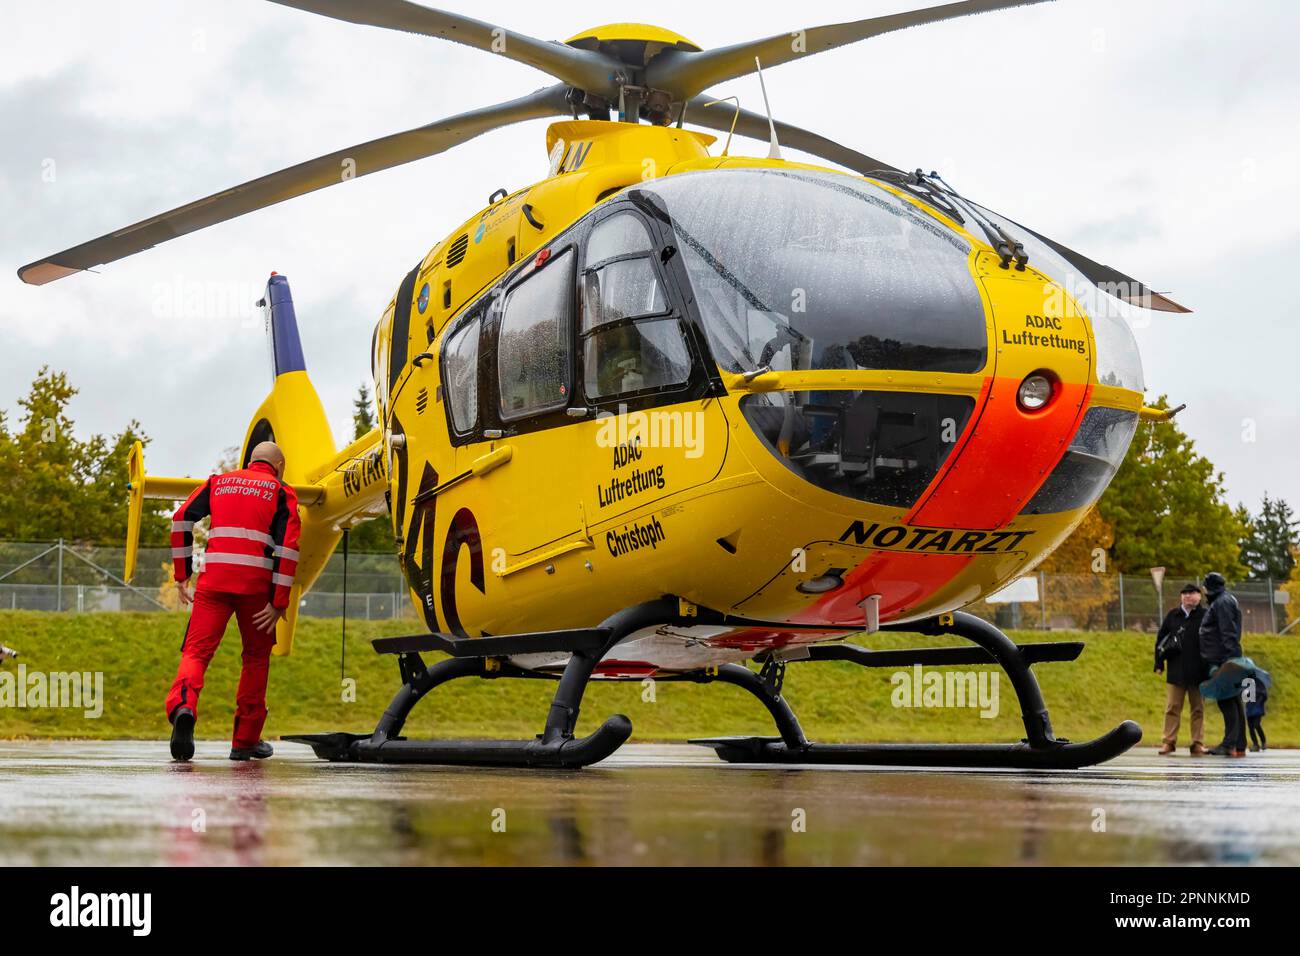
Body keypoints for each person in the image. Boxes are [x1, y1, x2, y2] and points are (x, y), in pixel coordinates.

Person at [164, 441, 301, 762]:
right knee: (255, 659)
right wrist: (279, 602)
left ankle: (184, 706)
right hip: (256, 589)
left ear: (250, 461)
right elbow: (288, 549)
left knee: (197, 653)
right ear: (279, 467)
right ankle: (245, 741)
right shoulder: (282, 492)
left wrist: (182, 574)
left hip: (213, 583)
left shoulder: (218, 483)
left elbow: (181, 519)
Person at [1154, 583, 1206, 755]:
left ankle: (1197, 743)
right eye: (1184, 593)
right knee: (1172, 707)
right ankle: (1168, 741)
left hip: (1199, 671)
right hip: (1176, 670)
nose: (1187, 596)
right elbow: (1161, 640)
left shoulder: (1205, 615)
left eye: (1191, 593)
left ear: (1199, 596)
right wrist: (1159, 663)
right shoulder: (1173, 616)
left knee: (1198, 709)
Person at [1198, 571, 1246, 757]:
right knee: (1233, 699)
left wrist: (1227, 661)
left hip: (1223, 658)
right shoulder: (1226, 600)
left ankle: (1229, 744)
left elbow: (1228, 632)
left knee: (1226, 700)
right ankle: (1238, 744)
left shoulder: (1222, 602)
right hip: (1227, 656)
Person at [1245, 676, 1268, 752]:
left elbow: (1264, 695)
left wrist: (1259, 700)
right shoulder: (1246, 683)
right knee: (1250, 727)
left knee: (1256, 724)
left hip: (1257, 708)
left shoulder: (1259, 683)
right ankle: (1255, 744)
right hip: (1249, 707)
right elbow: (1244, 696)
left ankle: (1263, 741)